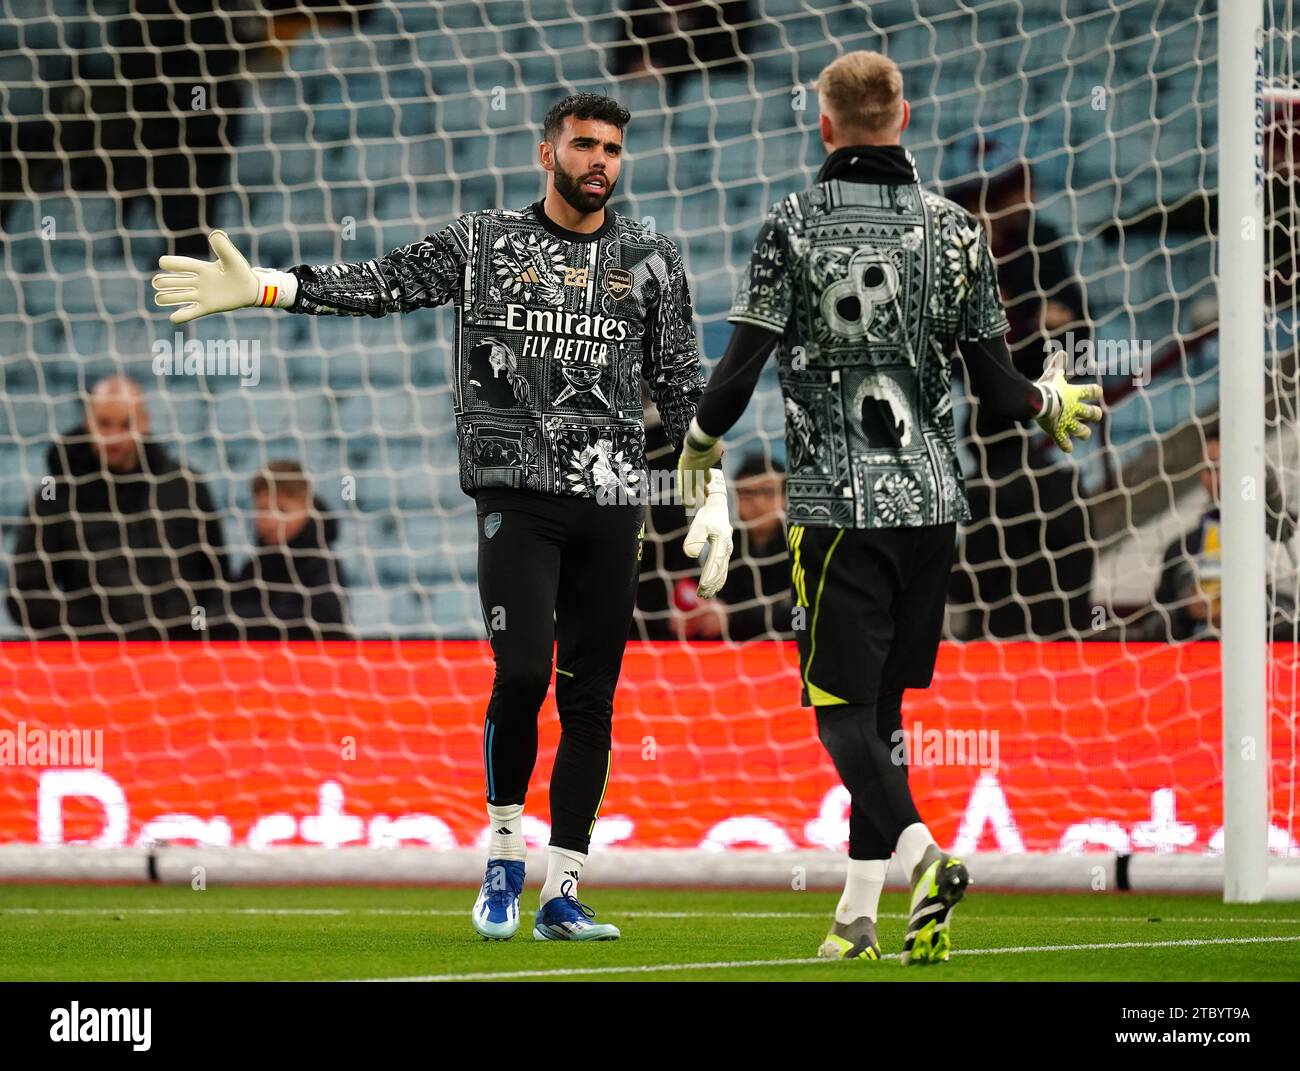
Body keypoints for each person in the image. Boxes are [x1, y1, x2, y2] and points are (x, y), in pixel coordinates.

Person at [151, 93, 733, 943]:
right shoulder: (486, 241)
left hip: (615, 501)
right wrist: (271, 287)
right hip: (517, 497)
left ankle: (563, 890)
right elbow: (380, 283)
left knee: (594, 699)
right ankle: (502, 859)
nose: (599, 160)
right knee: (526, 670)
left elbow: (682, 382)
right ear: (548, 153)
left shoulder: (652, 258)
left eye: (612, 147)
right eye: (583, 145)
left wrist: (707, 485)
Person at [677, 52, 1101, 964]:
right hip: (934, 505)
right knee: (887, 710)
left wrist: (701, 448)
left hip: (837, 506)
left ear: (824, 127)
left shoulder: (791, 225)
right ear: (903, 116)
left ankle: (922, 855)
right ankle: (859, 912)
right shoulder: (955, 230)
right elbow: (997, 386)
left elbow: (740, 367)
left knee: (837, 708)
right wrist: (1048, 403)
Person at [945, 136, 1095, 639]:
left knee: (1050, 509)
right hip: (987, 423)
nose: (1018, 198)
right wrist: (1032, 319)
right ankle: (989, 628)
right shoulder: (950, 249)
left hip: (1039, 404)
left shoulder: (1042, 242)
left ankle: (1053, 633)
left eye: (1017, 187)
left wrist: (1019, 324)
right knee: (994, 518)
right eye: (1005, 189)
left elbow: (1076, 327)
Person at [7, 375, 229, 640]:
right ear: (88, 422)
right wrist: (96, 631)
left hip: (180, 659)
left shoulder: (185, 485)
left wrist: (196, 631)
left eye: (126, 425)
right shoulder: (55, 495)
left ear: (144, 423)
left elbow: (217, 578)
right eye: (104, 424)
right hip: (96, 662)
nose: (114, 437)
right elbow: (25, 596)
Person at [674, 453, 793, 641]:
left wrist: (732, 619)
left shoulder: (802, 550)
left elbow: (802, 619)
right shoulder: (721, 546)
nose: (758, 503)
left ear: (786, 498)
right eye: (748, 493)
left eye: (768, 492)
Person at [228, 461, 349, 640]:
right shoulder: (253, 569)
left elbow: (324, 619)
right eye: (262, 510)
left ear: (307, 508)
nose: (269, 519)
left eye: (282, 510)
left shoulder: (323, 564)